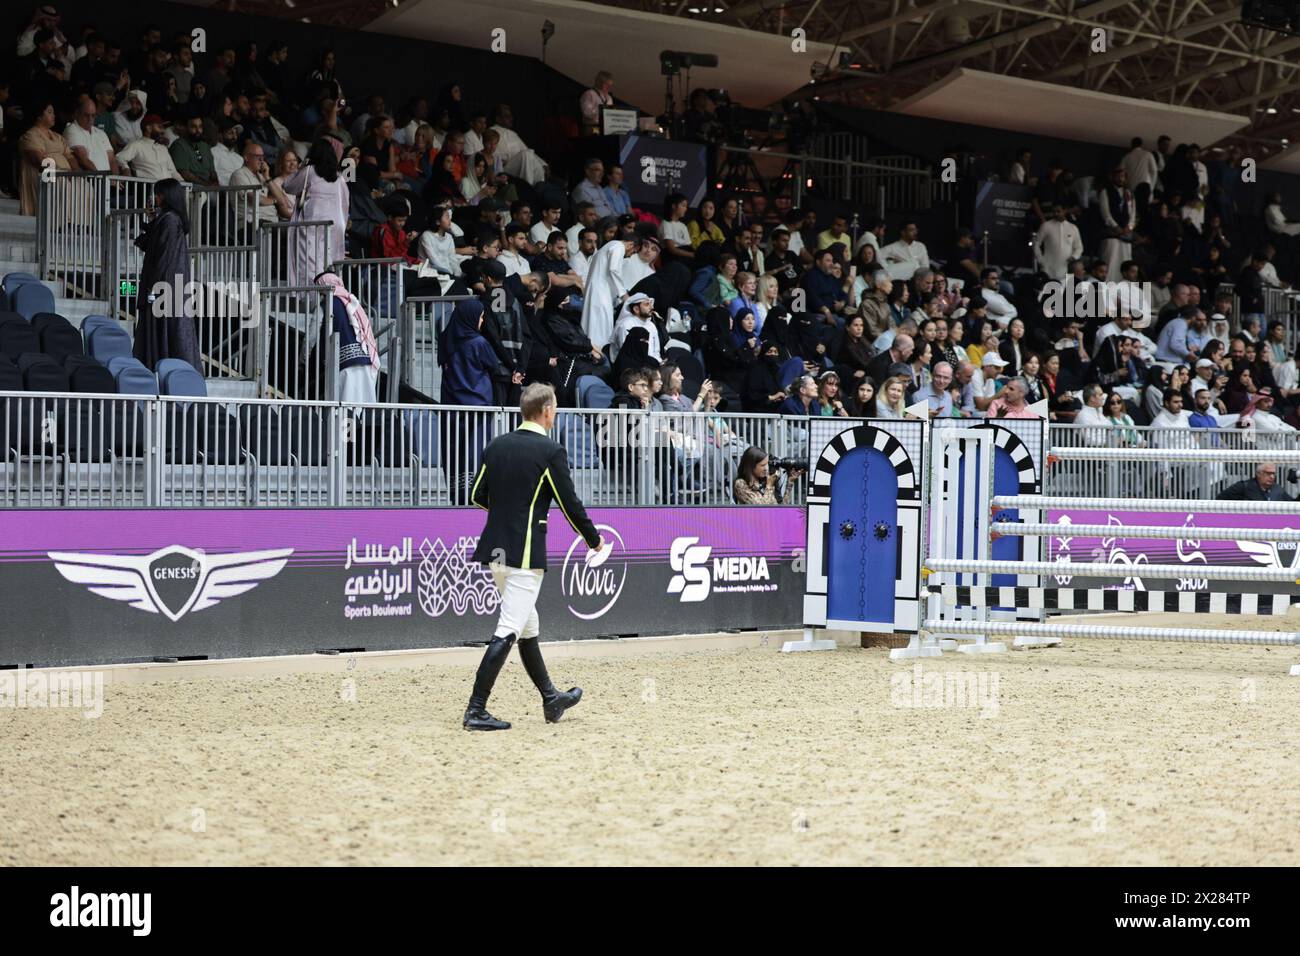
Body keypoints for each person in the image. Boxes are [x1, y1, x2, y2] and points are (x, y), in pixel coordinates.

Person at [463, 383, 604, 731]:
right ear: (546, 411)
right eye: (554, 408)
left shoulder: (497, 445)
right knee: (509, 629)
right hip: (524, 552)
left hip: (496, 549)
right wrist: (594, 540)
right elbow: (569, 503)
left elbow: (477, 494)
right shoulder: (549, 450)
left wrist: (508, 511)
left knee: (528, 626)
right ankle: (475, 709)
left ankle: (550, 698)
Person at [134, 179, 200, 373]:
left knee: (166, 332)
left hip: (164, 288)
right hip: (168, 287)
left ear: (165, 196)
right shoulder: (169, 219)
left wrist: (153, 293)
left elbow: (162, 258)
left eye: (158, 194)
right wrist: (152, 219)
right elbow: (152, 245)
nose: (155, 198)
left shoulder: (170, 220)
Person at [281, 138, 349, 286]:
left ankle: (312, 298)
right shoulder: (339, 177)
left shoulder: (309, 171)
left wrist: (302, 166)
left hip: (314, 223)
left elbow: (288, 186)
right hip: (336, 224)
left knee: (310, 263)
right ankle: (332, 293)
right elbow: (345, 202)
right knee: (329, 260)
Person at [317, 271, 379, 404]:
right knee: (366, 411)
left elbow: (312, 337)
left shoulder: (326, 304)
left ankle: (347, 426)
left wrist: (303, 360)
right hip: (366, 360)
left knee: (345, 412)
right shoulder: (352, 301)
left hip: (344, 366)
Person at [580, 231, 640, 351]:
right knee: (599, 325)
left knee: (595, 323)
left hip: (599, 291)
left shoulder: (611, 245)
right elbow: (614, 269)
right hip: (600, 292)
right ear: (631, 245)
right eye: (632, 252)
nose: (629, 255)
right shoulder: (618, 247)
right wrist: (624, 294)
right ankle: (598, 352)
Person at [733, 445, 798, 504]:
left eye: (767, 464)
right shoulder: (741, 484)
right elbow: (762, 508)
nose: (766, 468)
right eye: (762, 465)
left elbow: (780, 509)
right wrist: (769, 486)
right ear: (751, 466)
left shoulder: (766, 480)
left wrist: (790, 482)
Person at [1217, 463, 1293, 502]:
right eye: (1268, 473)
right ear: (1259, 474)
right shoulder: (1243, 487)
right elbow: (1219, 499)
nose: (1272, 477)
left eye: (1273, 474)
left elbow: (1293, 504)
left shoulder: (1278, 489)